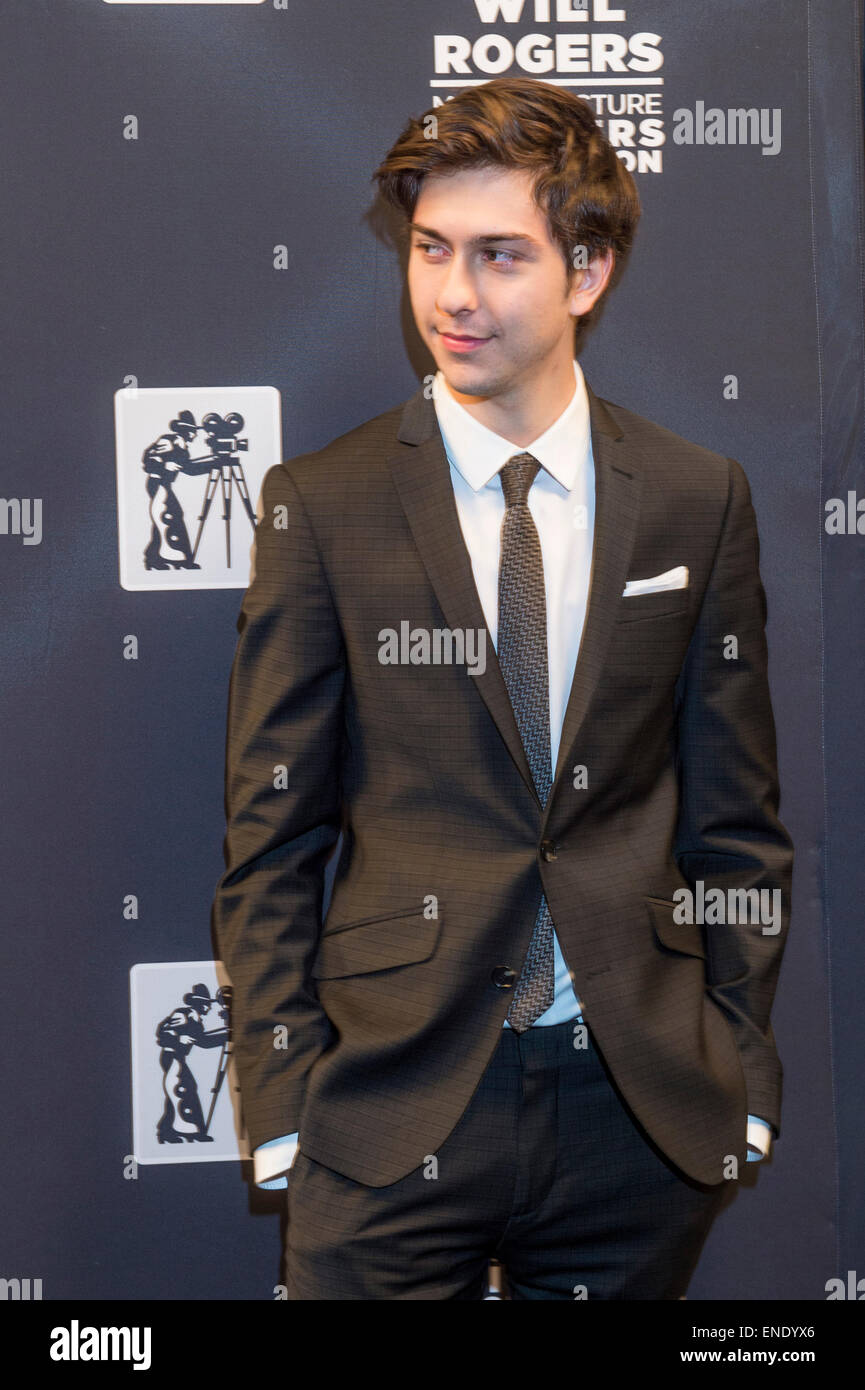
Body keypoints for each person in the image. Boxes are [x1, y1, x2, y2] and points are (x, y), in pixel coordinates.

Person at [213, 76, 794, 1300]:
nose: (451, 294)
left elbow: (735, 823)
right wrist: (278, 1103)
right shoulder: (323, 505)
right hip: (387, 1103)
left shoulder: (698, 499)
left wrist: (737, 1064)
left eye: (497, 254)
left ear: (586, 272)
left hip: (633, 1113)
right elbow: (272, 836)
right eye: (429, 250)